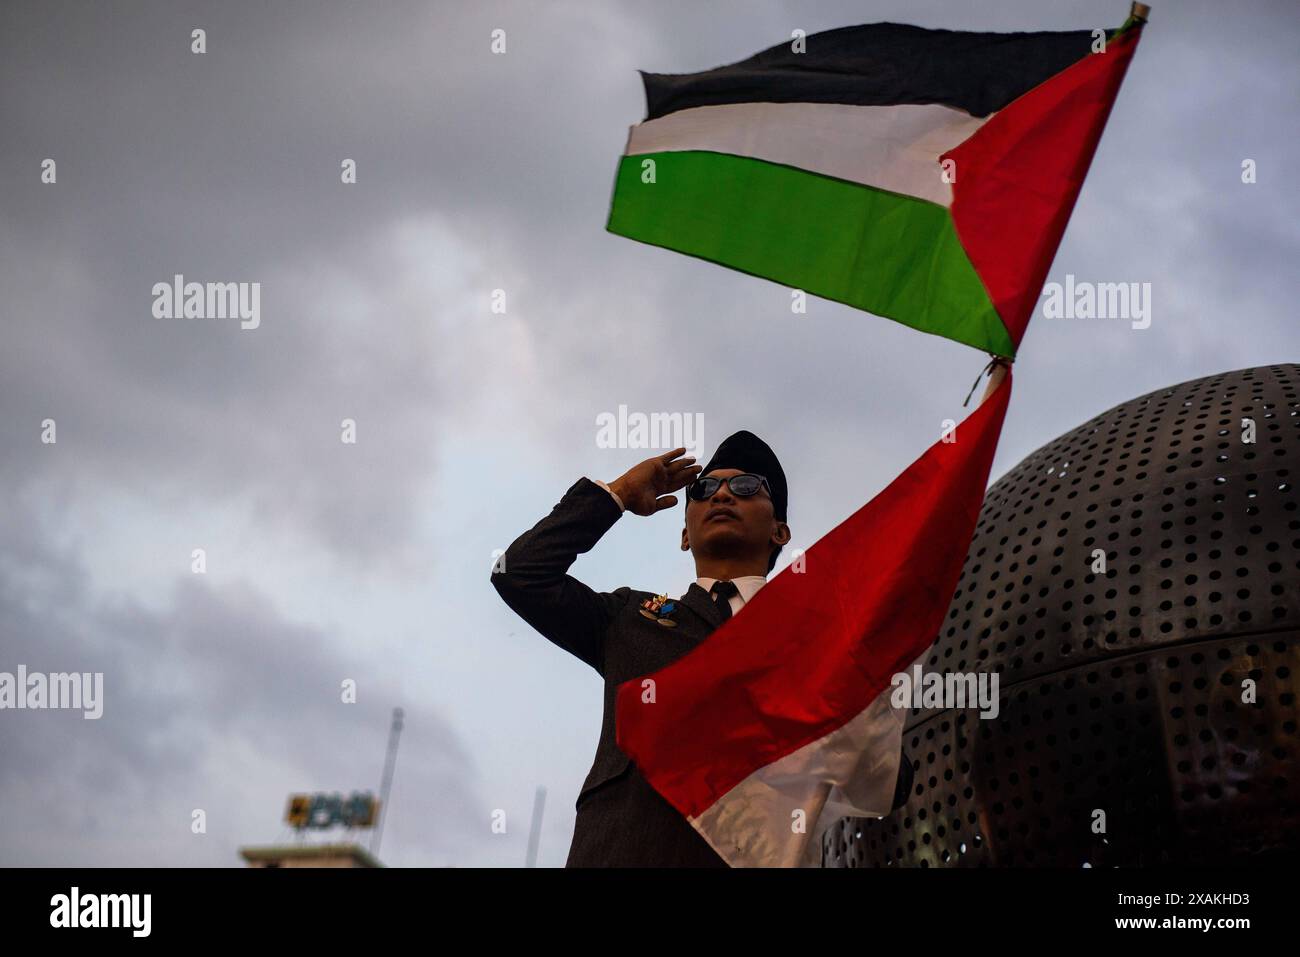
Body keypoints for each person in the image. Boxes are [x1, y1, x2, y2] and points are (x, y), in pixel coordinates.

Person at [491, 430, 912, 866]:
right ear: (684, 537)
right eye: (704, 489)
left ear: (780, 532)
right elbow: (519, 573)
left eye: (747, 487)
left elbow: (892, 780)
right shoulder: (631, 619)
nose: (723, 495)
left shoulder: (816, 645)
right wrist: (616, 494)